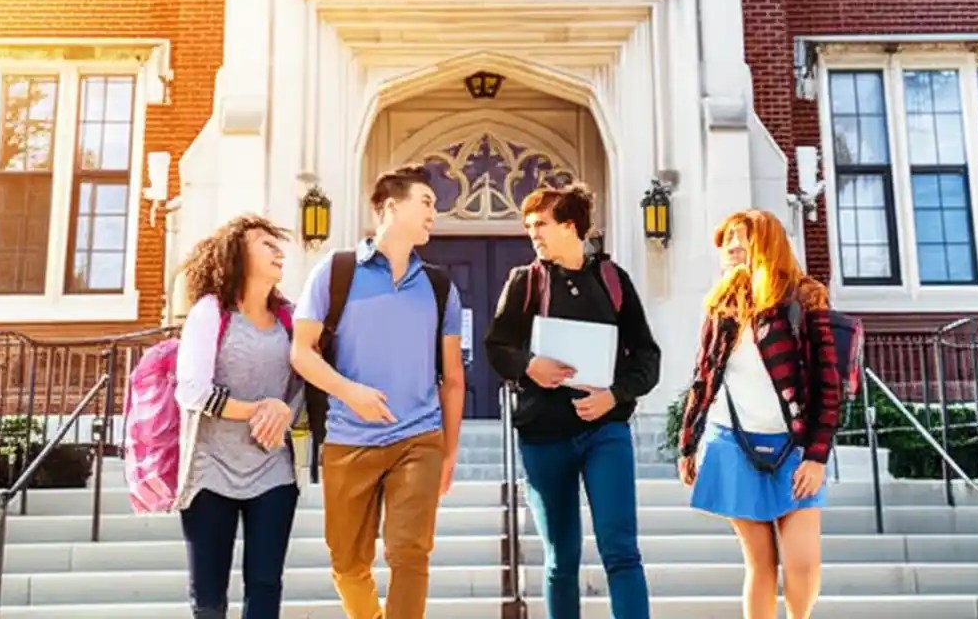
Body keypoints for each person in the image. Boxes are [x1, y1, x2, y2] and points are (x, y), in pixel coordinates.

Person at [290, 163, 464, 619]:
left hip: (419, 437)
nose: (435, 212)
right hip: (349, 439)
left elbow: (453, 378)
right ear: (391, 205)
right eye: (426, 202)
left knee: (410, 553)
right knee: (348, 562)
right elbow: (302, 352)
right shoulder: (335, 272)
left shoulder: (440, 287)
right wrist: (351, 393)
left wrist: (448, 449)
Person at [485, 184, 661, 619]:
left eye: (540, 224)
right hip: (544, 438)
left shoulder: (613, 280)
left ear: (570, 226)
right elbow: (496, 347)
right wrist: (530, 365)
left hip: (605, 433)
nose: (533, 234)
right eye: (528, 226)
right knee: (560, 560)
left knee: (621, 551)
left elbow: (647, 356)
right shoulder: (525, 282)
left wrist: (614, 396)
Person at [677, 208, 841, 619]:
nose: (731, 247)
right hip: (733, 442)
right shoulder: (724, 305)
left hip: (794, 447)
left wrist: (817, 457)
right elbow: (704, 379)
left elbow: (827, 382)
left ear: (766, 243)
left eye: (741, 237)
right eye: (727, 239)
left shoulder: (804, 297)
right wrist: (687, 445)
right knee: (761, 563)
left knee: (803, 564)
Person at [172, 214, 304, 619]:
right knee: (209, 600)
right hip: (210, 470)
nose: (278, 251)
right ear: (238, 255)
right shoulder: (210, 312)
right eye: (267, 243)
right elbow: (193, 390)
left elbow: (301, 388)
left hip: (273, 472)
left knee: (265, 589)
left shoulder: (291, 319)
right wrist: (261, 410)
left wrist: (283, 411)